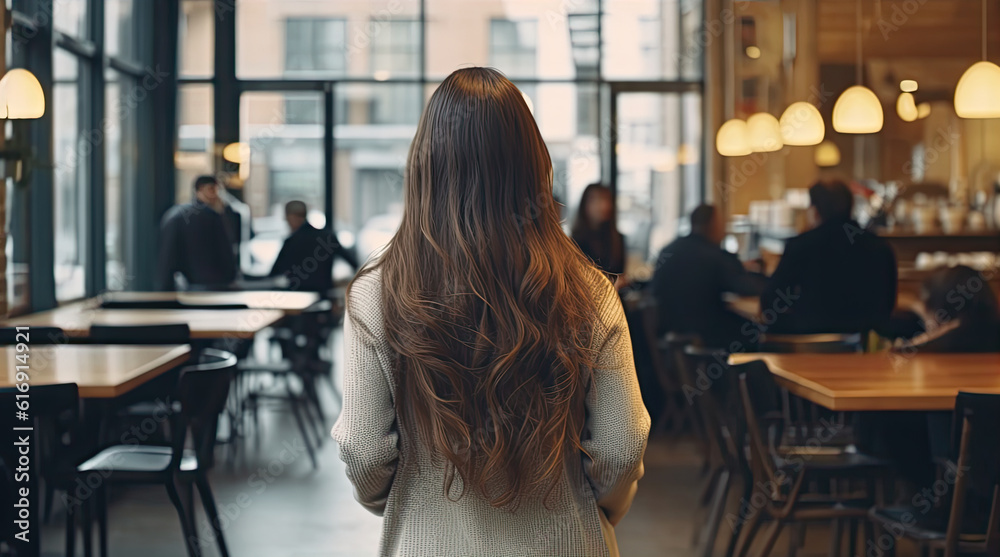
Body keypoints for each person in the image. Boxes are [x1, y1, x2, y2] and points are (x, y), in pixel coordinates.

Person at [331, 67, 650, 557]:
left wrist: (411, 503)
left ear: (424, 168)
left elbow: (364, 450)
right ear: (535, 169)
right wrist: (597, 507)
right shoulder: (588, 290)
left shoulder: (377, 293)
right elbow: (621, 446)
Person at [762, 180, 897, 334]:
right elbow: (888, 305)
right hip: (865, 343)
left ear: (815, 210)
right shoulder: (879, 246)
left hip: (808, 343)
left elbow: (770, 301)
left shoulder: (801, 246)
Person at [651, 204, 765, 348]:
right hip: (704, 333)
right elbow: (744, 286)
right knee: (753, 331)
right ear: (712, 225)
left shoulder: (669, 250)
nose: (724, 230)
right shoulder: (713, 255)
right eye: (721, 224)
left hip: (670, 330)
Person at [157, 176, 238, 290]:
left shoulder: (176, 215)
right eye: (211, 190)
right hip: (211, 286)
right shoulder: (212, 217)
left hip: (191, 287)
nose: (215, 195)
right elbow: (226, 254)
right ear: (199, 191)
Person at [269, 201, 358, 293]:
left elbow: (275, 272)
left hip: (297, 297)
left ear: (292, 217)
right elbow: (353, 263)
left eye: (287, 219)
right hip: (323, 296)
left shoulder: (290, 242)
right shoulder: (327, 237)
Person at [571, 183, 626, 280]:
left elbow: (621, 275)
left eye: (606, 200)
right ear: (585, 205)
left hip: (614, 293)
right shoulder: (574, 242)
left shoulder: (617, 239)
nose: (602, 206)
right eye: (595, 200)